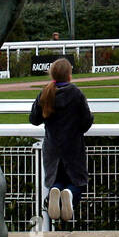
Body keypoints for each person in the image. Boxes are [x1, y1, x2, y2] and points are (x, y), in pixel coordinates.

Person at [30, 57, 95, 224]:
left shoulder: (45, 92)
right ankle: (70, 195)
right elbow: (86, 121)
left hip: (52, 149)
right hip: (73, 148)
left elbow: (34, 119)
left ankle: (57, 191)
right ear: (69, 75)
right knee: (78, 183)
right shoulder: (76, 93)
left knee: (56, 181)